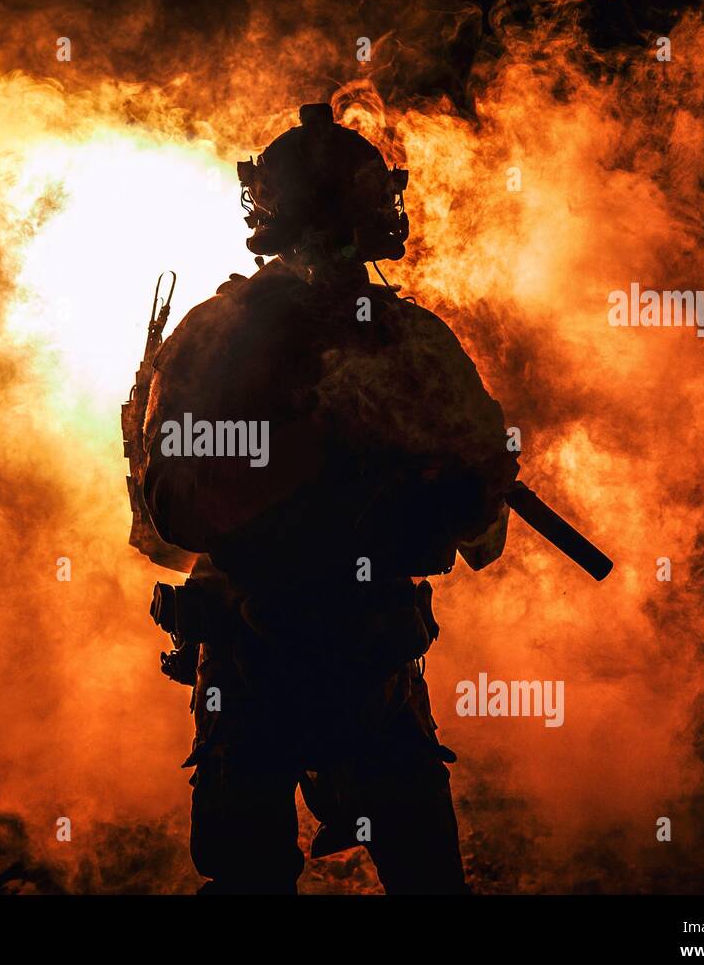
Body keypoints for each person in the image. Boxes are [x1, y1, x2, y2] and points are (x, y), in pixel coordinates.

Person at [137, 103, 518, 894]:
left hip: (289, 660)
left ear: (266, 211)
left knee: (264, 876)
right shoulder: (401, 339)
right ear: (375, 214)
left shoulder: (221, 336)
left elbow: (168, 519)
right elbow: (482, 522)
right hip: (323, 659)